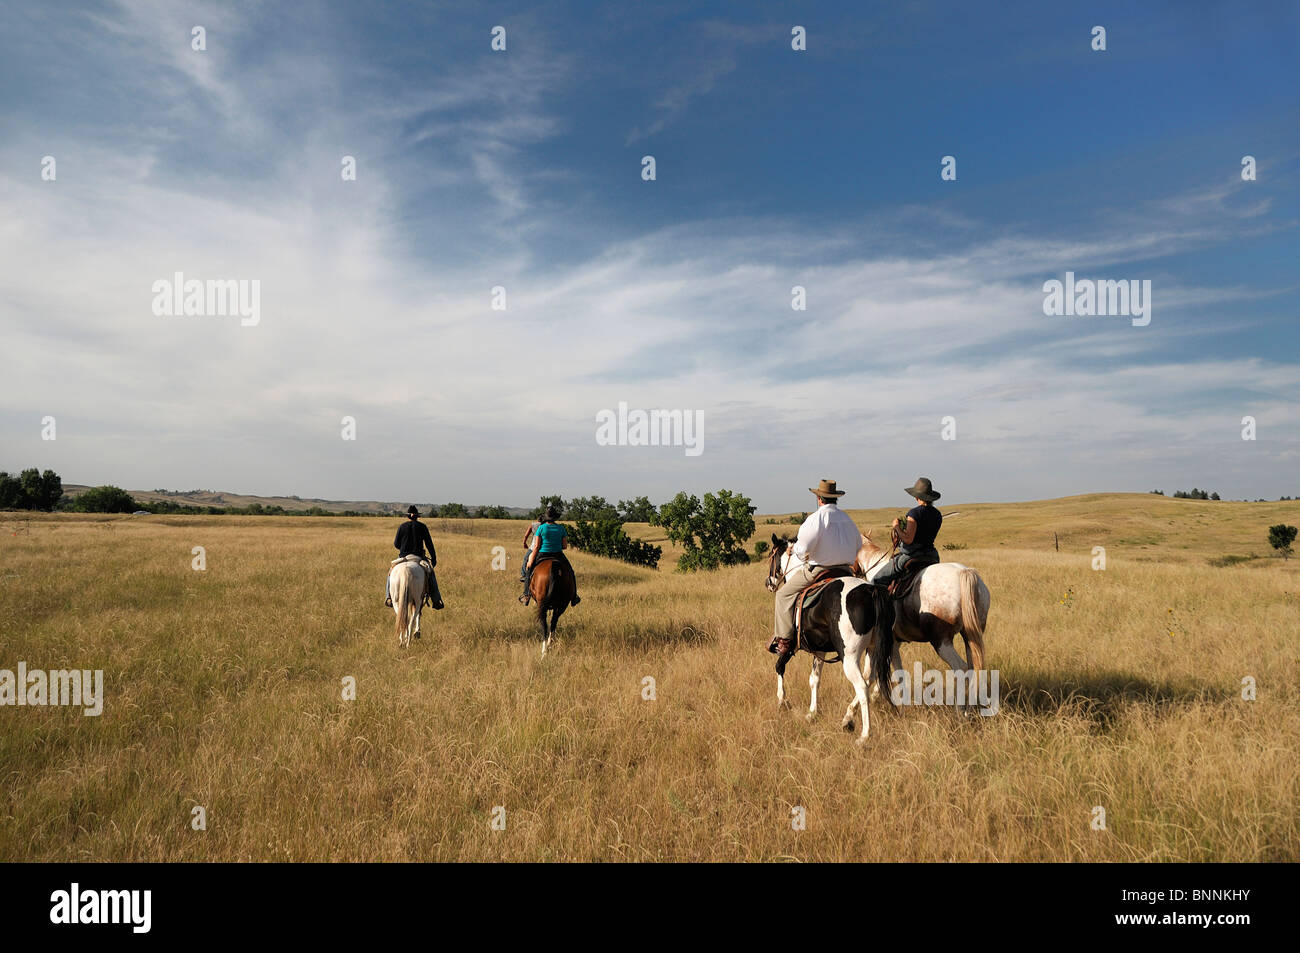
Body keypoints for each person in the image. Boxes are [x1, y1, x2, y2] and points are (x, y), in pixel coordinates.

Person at [768, 479, 861, 667]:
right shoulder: (848, 519)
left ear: (819, 499)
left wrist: (795, 551)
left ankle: (785, 640)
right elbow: (858, 545)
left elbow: (802, 550)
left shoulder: (815, 519)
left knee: (783, 594)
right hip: (846, 571)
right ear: (835, 499)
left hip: (819, 570)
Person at [869, 477, 943, 594]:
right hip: (932, 555)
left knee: (877, 580)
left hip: (912, 556)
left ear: (917, 497)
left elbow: (908, 540)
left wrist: (896, 527)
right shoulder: (937, 514)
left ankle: (883, 610)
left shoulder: (914, 513)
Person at [385, 505, 444, 609]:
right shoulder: (422, 526)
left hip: (403, 557)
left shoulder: (402, 526)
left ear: (408, 516)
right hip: (418, 557)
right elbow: (429, 544)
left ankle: (388, 597)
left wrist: (404, 548)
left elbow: (396, 544)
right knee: (431, 574)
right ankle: (436, 599)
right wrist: (433, 558)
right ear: (417, 516)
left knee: (391, 572)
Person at [519, 505, 580, 605]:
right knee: (570, 571)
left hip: (542, 554)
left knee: (529, 570)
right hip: (558, 555)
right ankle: (574, 596)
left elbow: (537, 546)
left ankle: (526, 595)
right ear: (555, 517)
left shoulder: (541, 528)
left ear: (546, 517)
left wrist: (530, 561)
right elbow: (564, 546)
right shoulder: (561, 528)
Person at [520, 516, 541, 583]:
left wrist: (524, 543)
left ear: (537, 519)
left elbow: (526, 535)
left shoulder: (533, 525)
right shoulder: (545, 525)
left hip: (533, 547)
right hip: (544, 547)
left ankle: (524, 575)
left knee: (526, 559)